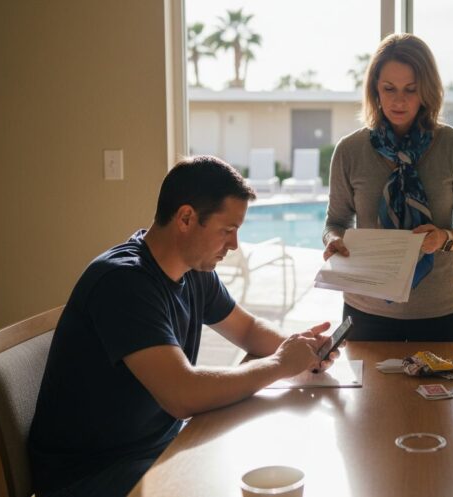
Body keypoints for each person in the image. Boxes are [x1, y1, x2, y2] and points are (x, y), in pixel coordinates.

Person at [28, 156, 337, 497]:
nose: (234, 245)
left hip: (157, 447)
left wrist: (304, 350)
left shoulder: (194, 271)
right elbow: (182, 394)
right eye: (228, 230)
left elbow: (246, 330)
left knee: (264, 456)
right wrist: (281, 364)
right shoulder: (123, 282)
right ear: (186, 218)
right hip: (90, 476)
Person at [323, 33, 453, 341]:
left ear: (427, 91)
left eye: (411, 90)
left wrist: (444, 238)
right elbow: (335, 223)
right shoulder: (349, 150)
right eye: (389, 89)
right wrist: (334, 240)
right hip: (365, 311)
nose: (399, 100)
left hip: (441, 312)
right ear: (375, 90)